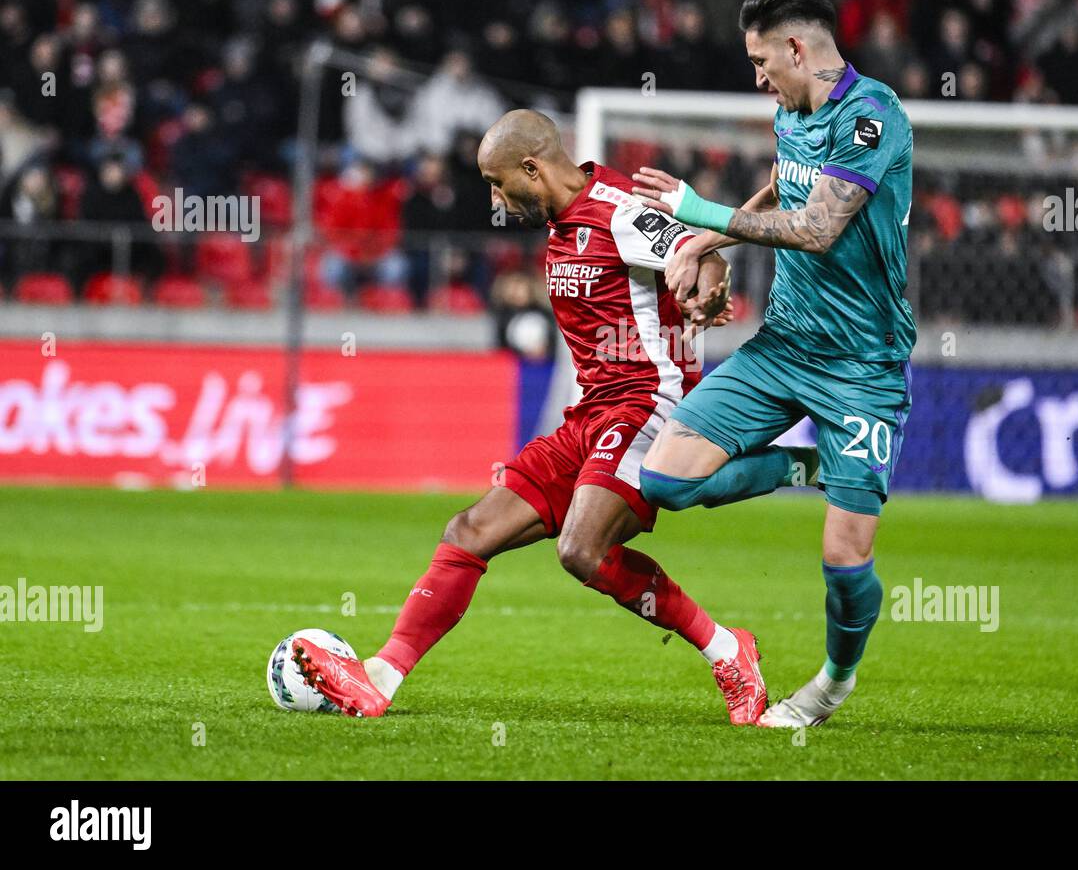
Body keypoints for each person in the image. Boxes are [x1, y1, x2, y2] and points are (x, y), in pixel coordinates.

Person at [293, 110, 769, 724]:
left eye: (497, 183)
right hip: (588, 417)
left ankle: (729, 651)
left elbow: (692, 248)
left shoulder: (617, 210)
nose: (496, 199)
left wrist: (709, 281)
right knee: (468, 531)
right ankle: (379, 679)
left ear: (531, 167)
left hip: (647, 405)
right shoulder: (561, 221)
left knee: (581, 550)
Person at [631, 0, 916, 728]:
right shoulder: (791, 110)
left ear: (798, 47)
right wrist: (708, 238)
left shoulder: (873, 117)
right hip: (784, 346)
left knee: (845, 561)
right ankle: (805, 466)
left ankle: (831, 684)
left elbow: (820, 225)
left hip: (862, 366)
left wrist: (698, 209)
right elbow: (786, 187)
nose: (757, 76)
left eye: (762, 60)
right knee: (662, 478)